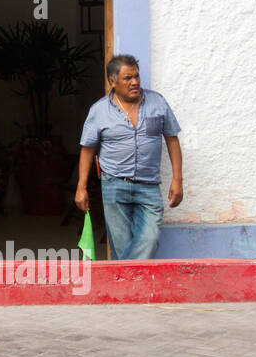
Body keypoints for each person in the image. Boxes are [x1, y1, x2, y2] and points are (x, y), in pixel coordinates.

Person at [75, 55, 183, 260]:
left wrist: (177, 180)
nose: (135, 82)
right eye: (127, 78)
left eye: (136, 76)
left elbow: (172, 139)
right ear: (112, 81)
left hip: (149, 185)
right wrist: (81, 187)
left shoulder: (157, 102)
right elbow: (87, 149)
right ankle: (130, 289)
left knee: (150, 238)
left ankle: (123, 280)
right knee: (121, 244)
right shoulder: (99, 110)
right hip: (114, 185)